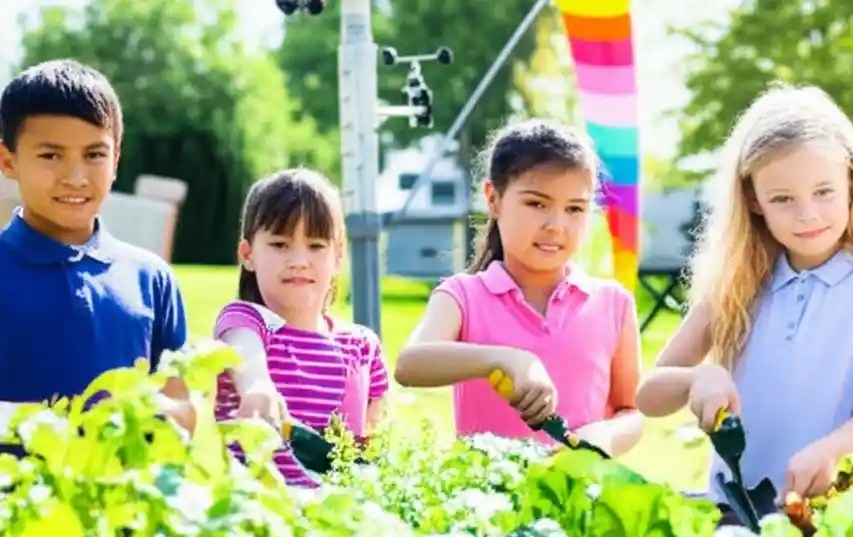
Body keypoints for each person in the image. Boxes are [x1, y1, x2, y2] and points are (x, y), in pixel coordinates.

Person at [634, 84, 853, 508]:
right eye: (783, 199)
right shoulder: (738, 281)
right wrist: (697, 378)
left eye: (824, 192)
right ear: (753, 201)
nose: (807, 214)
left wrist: (829, 452)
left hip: (831, 515)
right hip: (733, 511)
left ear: (852, 183)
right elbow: (649, 396)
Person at [395, 119, 643, 457]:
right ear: (493, 199)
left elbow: (630, 411)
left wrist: (603, 436)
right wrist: (505, 359)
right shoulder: (463, 295)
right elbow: (410, 365)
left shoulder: (613, 303)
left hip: (582, 501)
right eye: (537, 204)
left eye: (574, 209)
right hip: (486, 502)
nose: (556, 225)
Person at [0, 59, 191, 432]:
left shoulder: (152, 280)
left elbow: (182, 411)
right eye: (50, 155)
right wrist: (70, 424)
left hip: (128, 491)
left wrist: (156, 416)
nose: (75, 177)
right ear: (8, 160)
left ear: (116, 159)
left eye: (94, 155)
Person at [213, 168, 389, 486]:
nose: (299, 260)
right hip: (254, 517)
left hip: (332, 521)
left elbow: (373, 443)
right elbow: (244, 354)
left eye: (316, 245)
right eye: (280, 244)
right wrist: (257, 388)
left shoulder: (362, 346)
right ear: (248, 254)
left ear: (338, 256)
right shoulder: (245, 322)